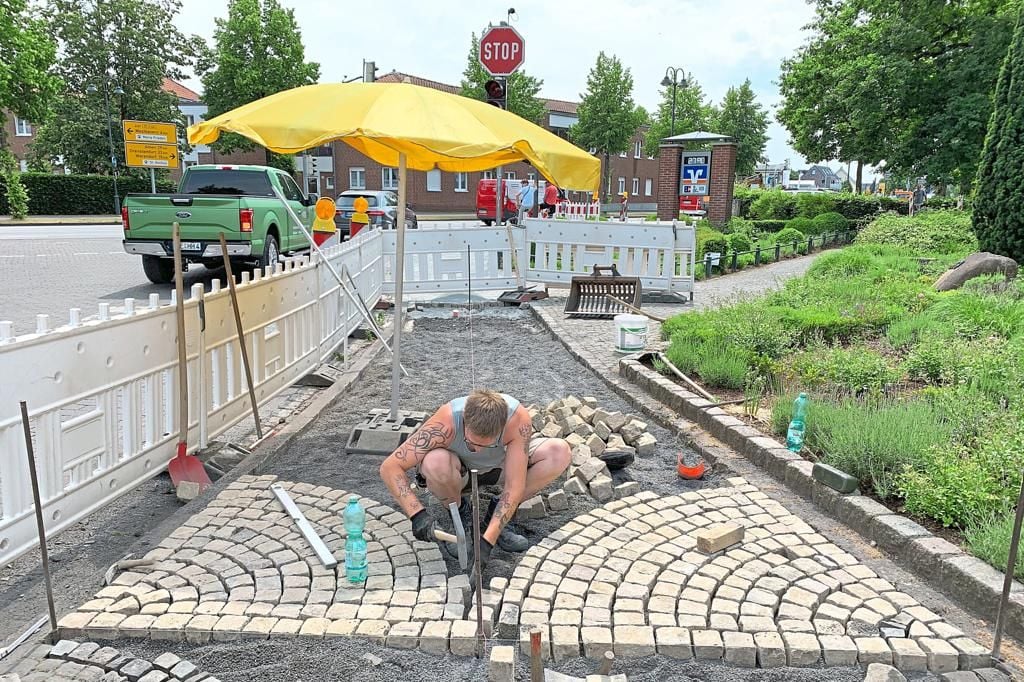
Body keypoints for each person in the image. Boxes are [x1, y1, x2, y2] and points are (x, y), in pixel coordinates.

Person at [378, 389, 571, 573]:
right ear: (465, 422)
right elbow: (390, 467)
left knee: (558, 453)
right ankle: (460, 515)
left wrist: (488, 541)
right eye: (472, 443)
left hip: (498, 467)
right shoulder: (445, 422)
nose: (477, 450)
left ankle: (497, 517)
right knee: (435, 462)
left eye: (485, 444)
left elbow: (515, 486)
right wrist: (417, 514)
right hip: (457, 474)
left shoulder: (517, 420)